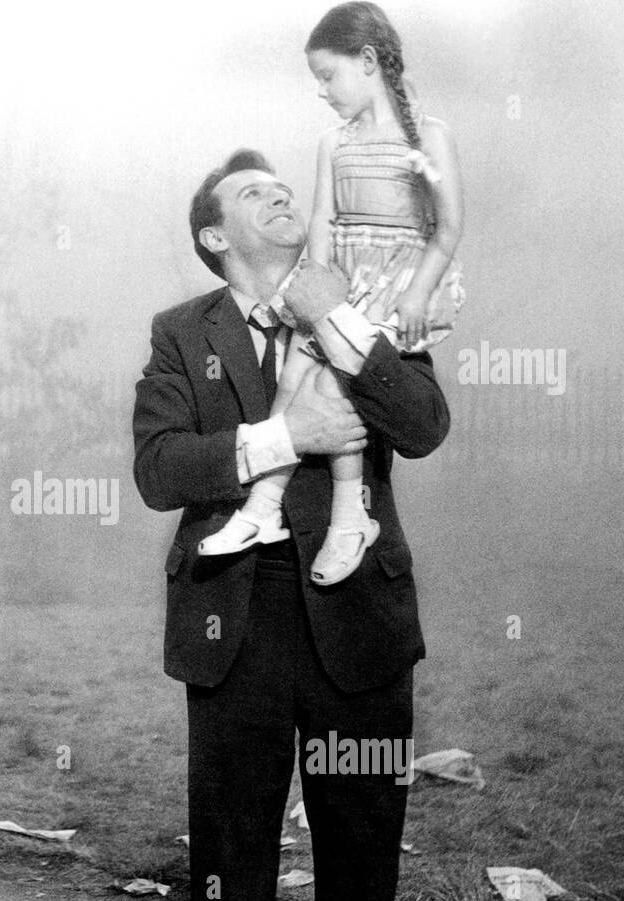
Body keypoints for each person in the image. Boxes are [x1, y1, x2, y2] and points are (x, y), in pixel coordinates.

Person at [132, 149, 449, 901]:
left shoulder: (368, 296)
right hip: (230, 635)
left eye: (280, 186)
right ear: (213, 234)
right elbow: (160, 470)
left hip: (363, 631)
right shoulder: (181, 332)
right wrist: (285, 439)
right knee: (231, 867)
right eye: (249, 192)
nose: (277, 193)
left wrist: (338, 319)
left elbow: (421, 425)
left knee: (362, 862)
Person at [198, 1, 463, 588]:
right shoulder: (332, 143)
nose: (322, 91)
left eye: (327, 75)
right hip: (338, 282)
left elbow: (446, 229)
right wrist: (314, 289)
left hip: (392, 290)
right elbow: (322, 220)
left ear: (367, 60)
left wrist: (417, 295)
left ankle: (350, 516)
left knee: (331, 383)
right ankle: (262, 509)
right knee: (296, 378)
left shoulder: (429, 139)